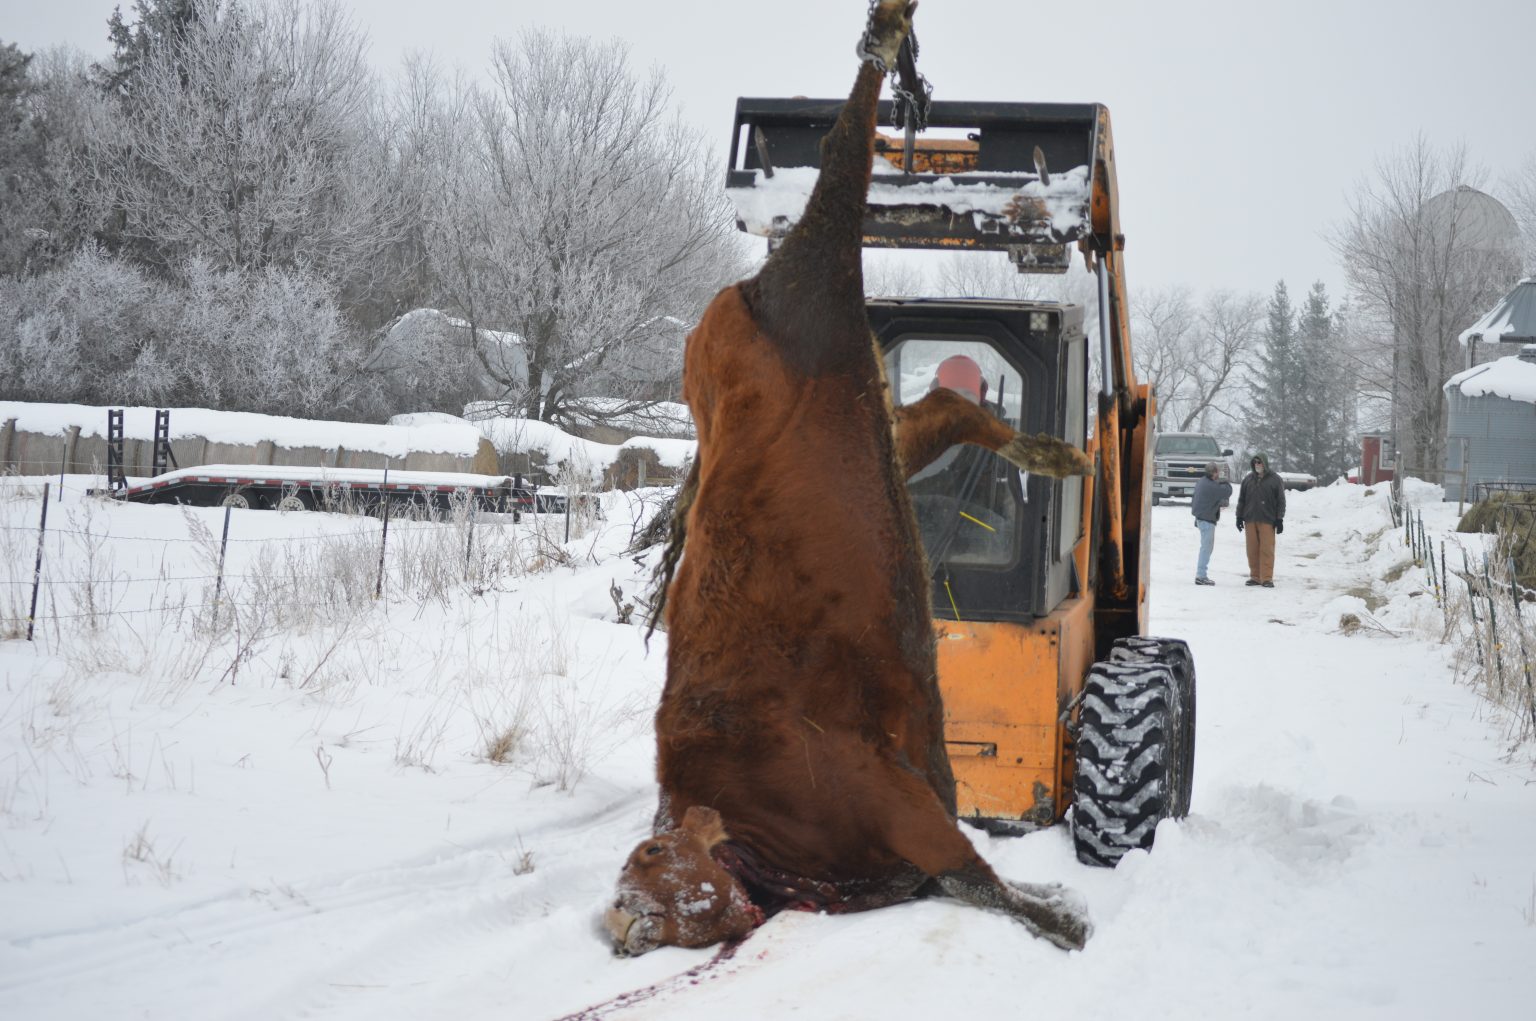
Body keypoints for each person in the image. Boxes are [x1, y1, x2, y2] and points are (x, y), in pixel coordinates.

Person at [1235, 452, 1285, 587]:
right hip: (1250, 519)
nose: (1257, 465)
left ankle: (1267, 578)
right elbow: (1241, 500)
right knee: (1252, 550)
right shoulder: (1248, 479)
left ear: (1265, 463)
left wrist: (1279, 519)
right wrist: (1239, 517)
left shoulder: (1275, 479)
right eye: (1255, 462)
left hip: (1267, 520)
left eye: (1259, 462)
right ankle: (1255, 576)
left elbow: (1281, 501)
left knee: (1266, 550)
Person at [1190, 461, 1233, 585]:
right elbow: (1228, 491)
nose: (1218, 474)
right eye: (1217, 472)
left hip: (1201, 518)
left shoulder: (1201, 482)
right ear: (1214, 473)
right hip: (1207, 520)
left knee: (1205, 547)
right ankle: (1201, 575)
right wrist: (1224, 481)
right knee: (1206, 548)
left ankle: (1201, 574)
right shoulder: (1211, 486)